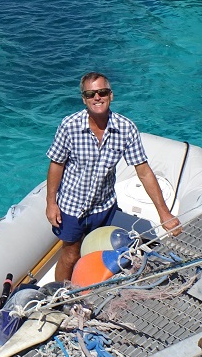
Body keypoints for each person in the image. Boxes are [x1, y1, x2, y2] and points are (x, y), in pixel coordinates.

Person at [45, 71, 180, 283]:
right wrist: (51, 202)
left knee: (96, 252)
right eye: (91, 94)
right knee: (70, 254)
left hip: (103, 207)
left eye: (102, 92)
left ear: (111, 95)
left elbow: (143, 171)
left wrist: (165, 214)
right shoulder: (69, 125)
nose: (97, 97)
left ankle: (87, 286)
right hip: (71, 206)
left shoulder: (125, 128)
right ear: (84, 99)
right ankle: (59, 294)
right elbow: (56, 164)